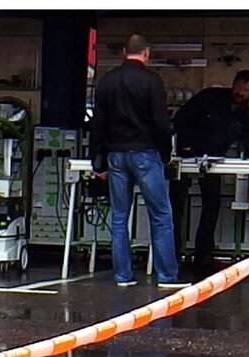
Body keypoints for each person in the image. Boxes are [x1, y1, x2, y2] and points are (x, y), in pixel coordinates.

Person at [90, 34, 183, 289]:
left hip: (116, 155)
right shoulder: (152, 81)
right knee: (161, 215)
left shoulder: (107, 81)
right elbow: (161, 123)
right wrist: (166, 153)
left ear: (124, 52)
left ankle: (123, 276)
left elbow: (97, 123)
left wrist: (97, 161)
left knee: (120, 217)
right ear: (146, 53)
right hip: (146, 153)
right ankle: (166, 276)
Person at [170, 70, 249, 276]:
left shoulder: (247, 117)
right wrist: (184, 147)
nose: (241, 92)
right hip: (185, 156)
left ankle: (202, 257)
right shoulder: (210, 96)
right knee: (176, 205)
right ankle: (171, 257)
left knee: (212, 204)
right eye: (239, 87)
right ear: (233, 83)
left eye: (246, 90)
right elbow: (181, 117)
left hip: (212, 162)